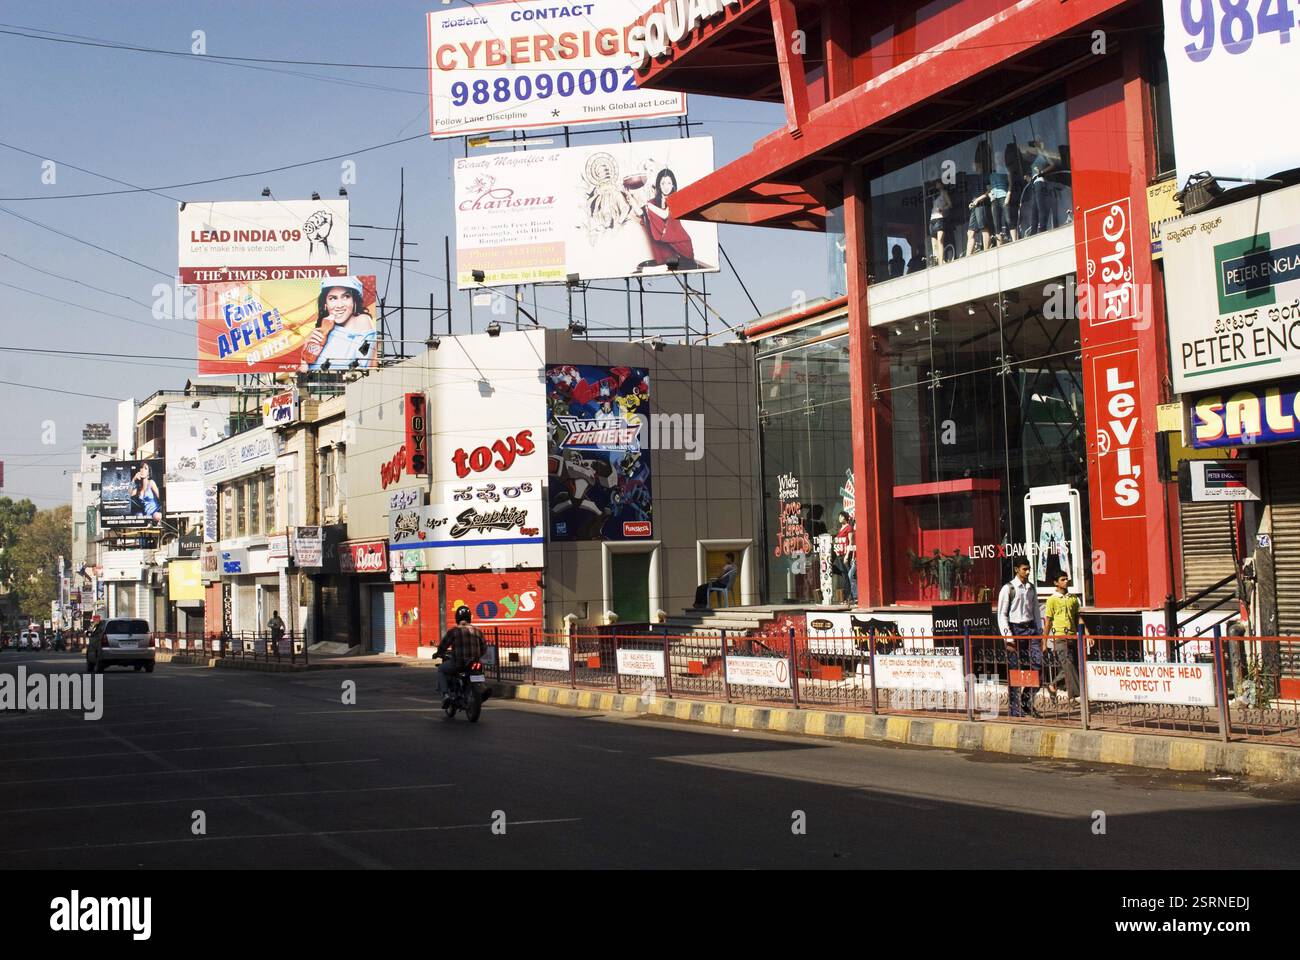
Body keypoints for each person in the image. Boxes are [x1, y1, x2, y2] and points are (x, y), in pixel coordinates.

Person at [629, 169, 711, 272]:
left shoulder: (675, 199)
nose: (666, 186)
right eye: (662, 183)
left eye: (669, 183)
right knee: (661, 266)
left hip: (682, 247)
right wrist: (629, 198)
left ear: (673, 185)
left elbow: (664, 215)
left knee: (671, 266)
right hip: (665, 247)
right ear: (659, 185)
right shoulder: (653, 203)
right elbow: (643, 215)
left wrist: (647, 205)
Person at [299, 276, 377, 373]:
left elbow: (370, 369)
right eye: (332, 298)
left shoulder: (363, 320)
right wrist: (304, 361)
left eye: (346, 297)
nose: (339, 305)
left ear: (354, 301)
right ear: (325, 304)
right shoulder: (320, 331)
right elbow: (303, 372)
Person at [997, 559, 1044, 718]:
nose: (1028, 572)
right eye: (1025, 569)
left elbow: (1036, 610)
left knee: (1038, 667)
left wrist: (1039, 631)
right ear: (1017, 569)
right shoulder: (1008, 588)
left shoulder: (1031, 588)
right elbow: (1001, 615)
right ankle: (1015, 709)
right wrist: (1008, 637)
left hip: (1031, 630)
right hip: (1015, 630)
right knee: (1015, 671)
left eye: (1029, 569)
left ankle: (1026, 701)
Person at [436, 606, 487, 706]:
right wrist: (477, 655)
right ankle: (482, 688)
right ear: (469, 618)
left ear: (457, 618)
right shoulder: (478, 631)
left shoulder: (454, 631)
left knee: (441, 670)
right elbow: (484, 648)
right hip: (475, 663)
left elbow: (443, 646)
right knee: (479, 670)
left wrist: (439, 652)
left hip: (459, 663)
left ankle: (446, 695)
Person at [1043, 573, 1082, 703]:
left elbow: (1078, 618)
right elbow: (1048, 622)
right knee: (1068, 664)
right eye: (1062, 580)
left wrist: (1085, 633)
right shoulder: (1052, 600)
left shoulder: (1073, 598)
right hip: (1059, 637)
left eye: (1067, 579)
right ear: (1056, 583)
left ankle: (1053, 685)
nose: (1066, 582)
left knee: (1070, 666)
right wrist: (1044, 641)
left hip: (1072, 636)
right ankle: (1077, 695)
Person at [833, 512, 857, 605]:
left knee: (847, 576)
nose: (840, 518)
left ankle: (849, 597)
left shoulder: (848, 528)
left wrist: (847, 555)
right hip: (839, 554)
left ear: (845, 517)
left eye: (842, 516)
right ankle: (848, 596)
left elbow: (851, 542)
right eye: (839, 516)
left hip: (845, 555)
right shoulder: (840, 529)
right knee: (843, 574)